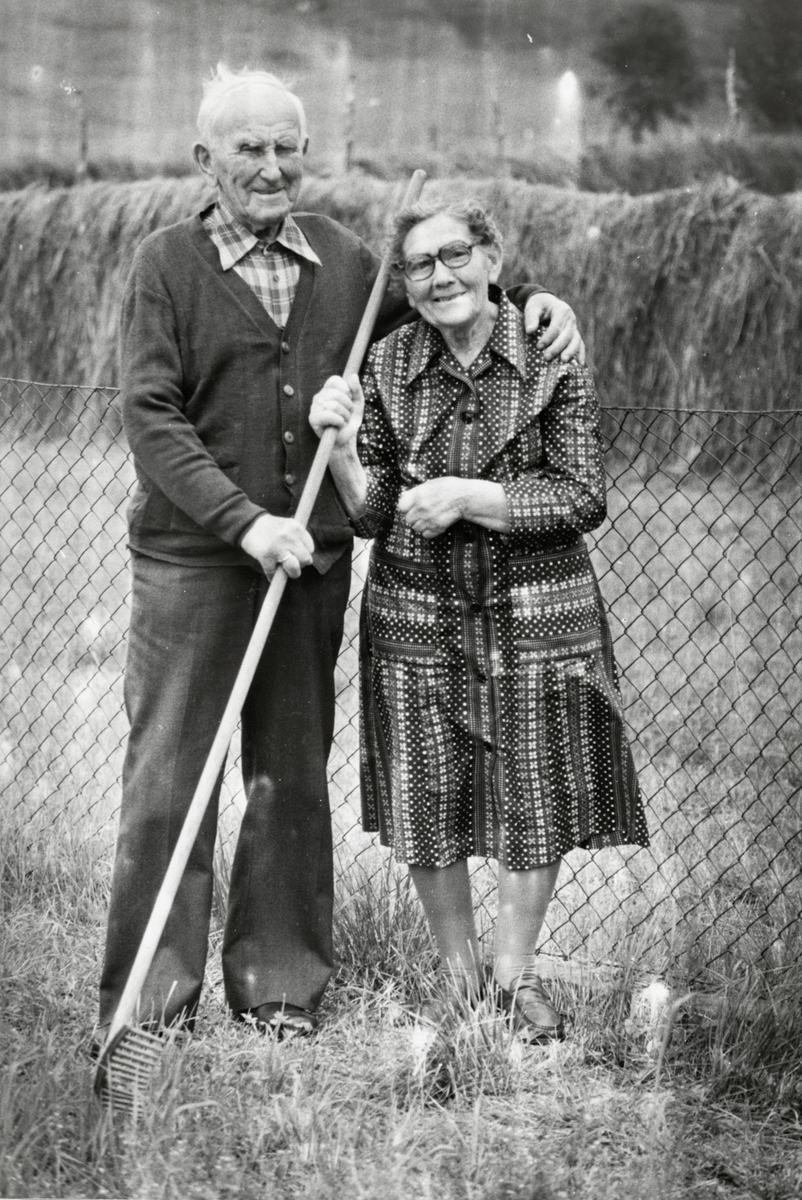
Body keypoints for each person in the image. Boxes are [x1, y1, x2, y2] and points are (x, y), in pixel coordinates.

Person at [97, 64, 586, 1045]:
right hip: (195, 565)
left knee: (287, 781)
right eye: (249, 148)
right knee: (170, 784)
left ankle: (279, 990)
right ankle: (150, 1006)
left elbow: (443, 302)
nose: (271, 166)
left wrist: (534, 300)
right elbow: (150, 416)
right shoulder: (164, 266)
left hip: (310, 570)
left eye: (287, 147)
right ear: (205, 159)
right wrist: (245, 521)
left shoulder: (344, 259)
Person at [309, 199, 649, 1042]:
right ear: (405, 283)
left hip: (535, 612)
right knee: (429, 791)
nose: (440, 276)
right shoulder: (387, 362)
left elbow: (581, 495)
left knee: (534, 788)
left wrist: (469, 497)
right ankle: (460, 983)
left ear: (493, 258)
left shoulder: (548, 352)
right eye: (420, 265)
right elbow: (372, 512)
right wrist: (345, 454)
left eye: (456, 254)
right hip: (416, 611)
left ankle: (515, 978)